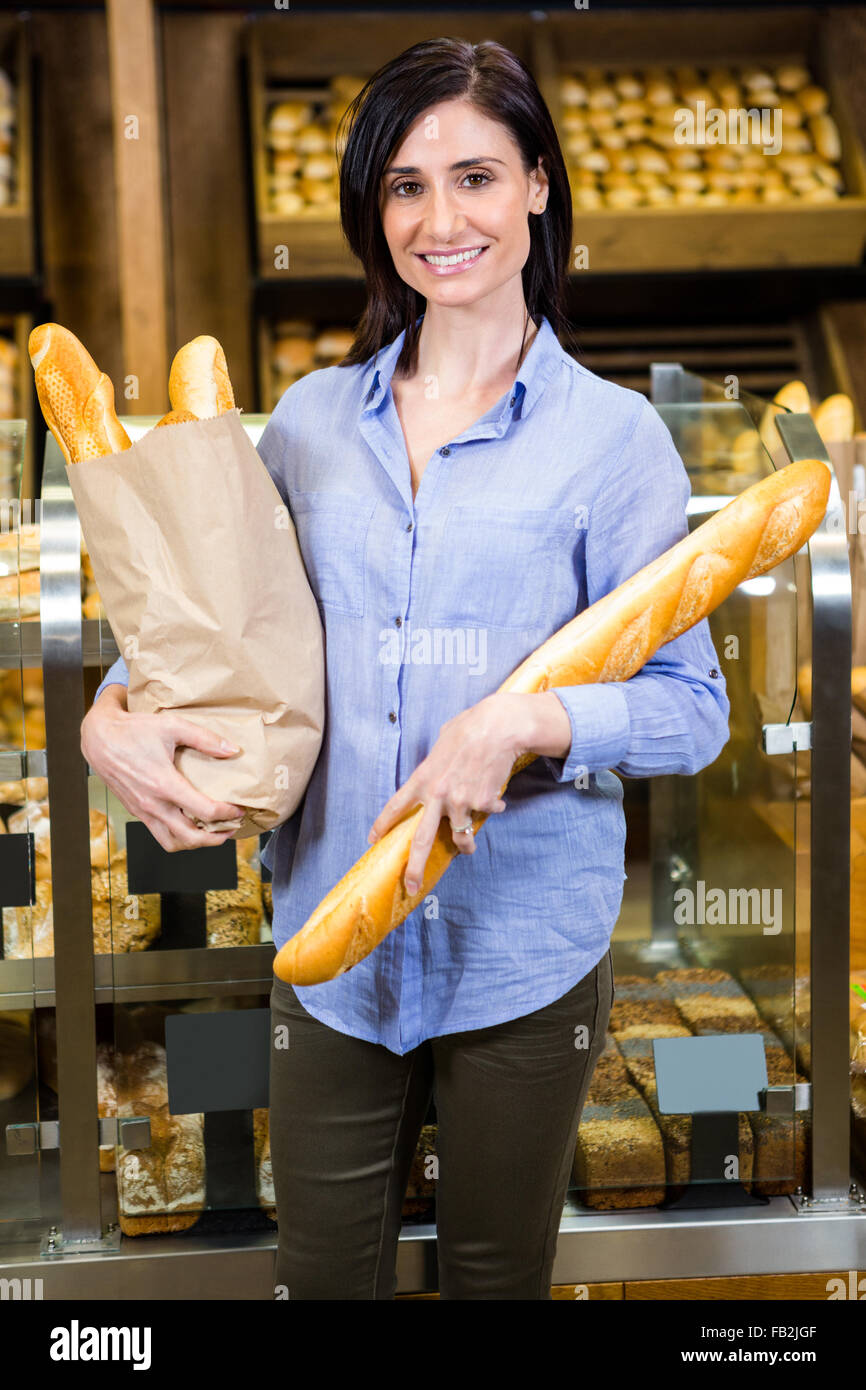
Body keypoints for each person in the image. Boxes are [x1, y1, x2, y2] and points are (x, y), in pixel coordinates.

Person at [82, 37, 730, 1300]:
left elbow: (689, 710)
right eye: (405, 186)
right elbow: (213, 627)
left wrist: (523, 721)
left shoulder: (613, 441)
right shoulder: (314, 420)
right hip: (331, 943)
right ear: (374, 212)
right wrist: (112, 716)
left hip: (522, 949)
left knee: (492, 1277)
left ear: (538, 188)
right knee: (325, 1280)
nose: (442, 220)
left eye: (476, 177)